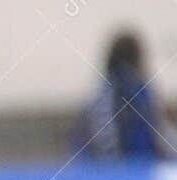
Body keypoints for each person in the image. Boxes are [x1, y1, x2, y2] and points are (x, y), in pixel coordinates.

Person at [73, 31, 173, 160]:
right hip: (135, 166)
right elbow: (158, 135)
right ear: (137, 59)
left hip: (102, 167)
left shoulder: (100, 92)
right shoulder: (138, 91)